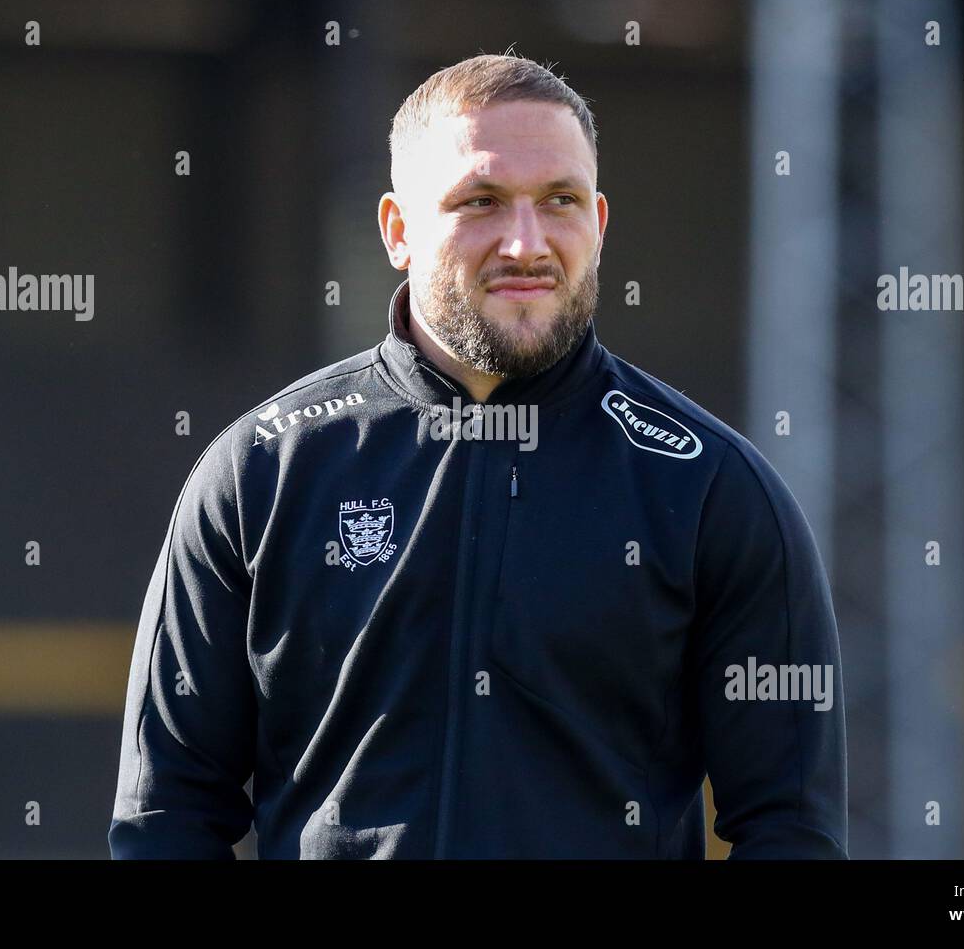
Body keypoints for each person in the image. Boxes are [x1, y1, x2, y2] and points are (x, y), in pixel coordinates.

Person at [109, 52, 847, 859]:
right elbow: (165, 815)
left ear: (598, 223)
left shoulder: (712, 489)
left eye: (559, 201)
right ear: (397, 230)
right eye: (481, 202)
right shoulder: (259, 474)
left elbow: (792, 830)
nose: (525, 244)